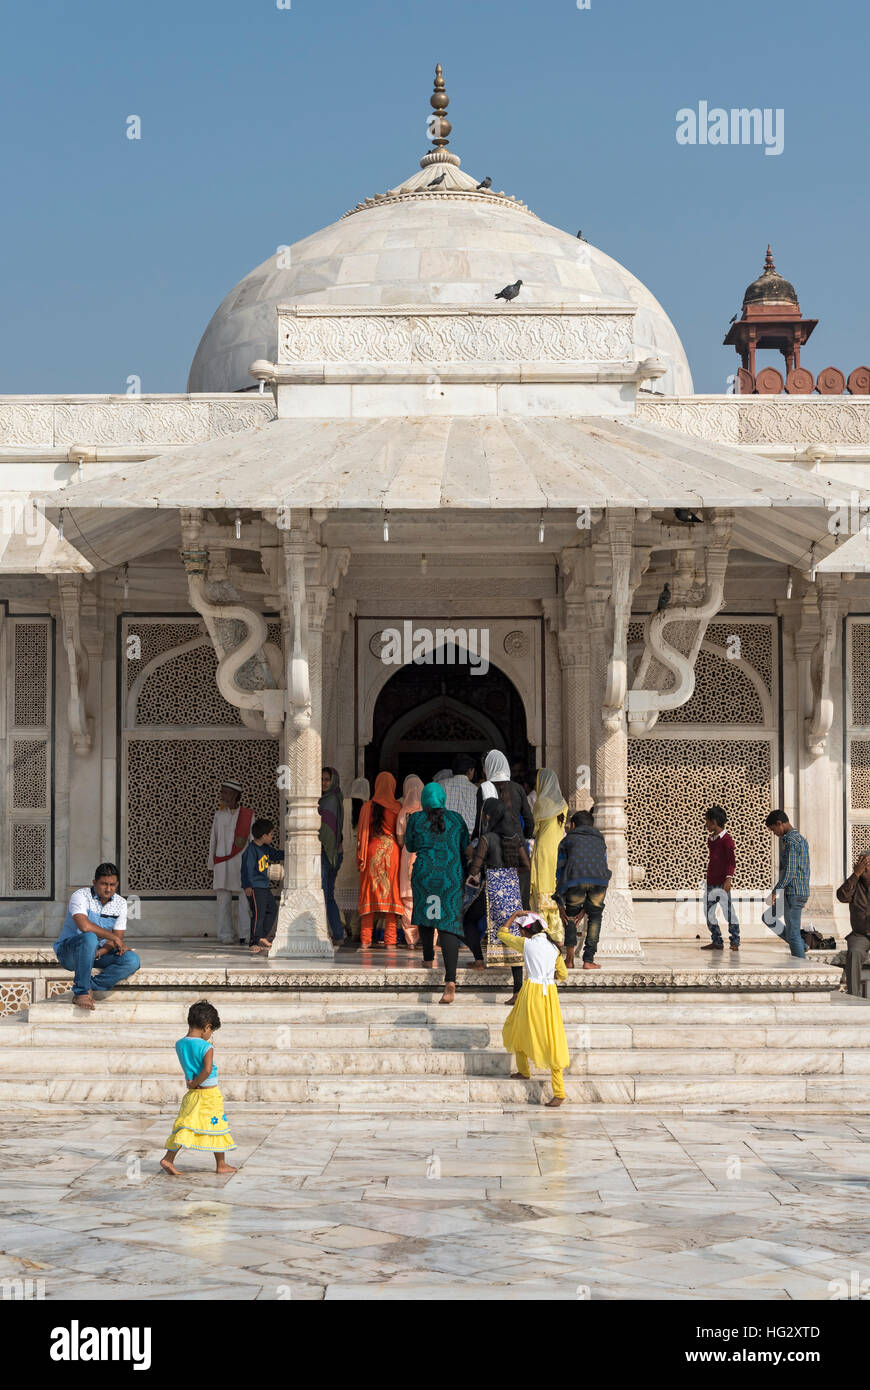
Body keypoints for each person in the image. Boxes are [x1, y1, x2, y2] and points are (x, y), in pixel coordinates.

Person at [403, 781, 480, 1003]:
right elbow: (464, 845)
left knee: (427, 915)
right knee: (447, 925)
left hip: (425, 874)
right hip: (451, 875)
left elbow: (410, 846)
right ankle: (450, 981)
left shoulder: (416, 819)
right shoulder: (456, 819)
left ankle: (428, 958)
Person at [498, 911, 570, 1107]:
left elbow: (501, 934)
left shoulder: (526, 944)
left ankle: (525, 1071)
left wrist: (514, 915)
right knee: (551, 1038)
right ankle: (558, 1090)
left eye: (521, 930)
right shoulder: (553, 947)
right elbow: (562, 974)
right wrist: (550, 973)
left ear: (525, 930)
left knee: (518, 1028)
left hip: (532, 992)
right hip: (550, 994)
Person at [161, 1000, 237, 1177]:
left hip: (193, 1094)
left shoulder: (180, 1044)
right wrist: (195, 1082)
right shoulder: (206, 1046)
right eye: (211, 1031)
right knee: (216, 1125)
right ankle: (220, 1164)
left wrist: (192, 1084)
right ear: (207, 1027)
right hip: (208, 1094)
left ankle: (170, 1159)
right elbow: (207, 1069)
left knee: (186, 1126)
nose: (210, 1035)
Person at [467, 795, 531, 1002]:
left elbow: (475, 868)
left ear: (490, 817)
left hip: (494, 889)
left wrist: (471, 855)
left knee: (467, 919)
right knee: (513, 934)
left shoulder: (487, 839)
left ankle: (478, 958)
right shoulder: (514, 837)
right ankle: (517, 990)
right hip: (511, 890)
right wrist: (509, 871)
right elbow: (526, 866)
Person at [53, 863, 141, 1010]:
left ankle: (90, 984)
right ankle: (81, 992)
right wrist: (113, 938)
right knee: (90, 937)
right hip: (70, 954)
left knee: (132, 960)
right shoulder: (80, 896)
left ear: (117, 884)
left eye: (112, 885)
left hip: (96, 954)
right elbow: (84, 926)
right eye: (104, 884)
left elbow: (117, 938)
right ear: (94, 883)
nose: (108, 889)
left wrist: (99, 952)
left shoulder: (121, 903)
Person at [554, 810, 611, 970]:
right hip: (599, 881)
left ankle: (570, 959)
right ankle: (588, 960)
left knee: (570, 916)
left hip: (574, 880)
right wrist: (587, 907)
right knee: (595, 917)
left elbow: (560, 870)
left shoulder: (567, 841)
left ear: (573, 824)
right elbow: (602, 864)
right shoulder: (600, 840)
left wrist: (560, 901)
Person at [356, 772, 404, 949]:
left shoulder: (367, 807)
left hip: (371, 852)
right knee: (392, 895)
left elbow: (361, 833)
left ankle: (366, 940)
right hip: (392, 853)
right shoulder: (398, 807)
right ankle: (390, 940)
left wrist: (360, 855)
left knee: (369, 893)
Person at [208, 779, 253, 947]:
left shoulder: (248, 815)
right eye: (222, 792)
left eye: (225, 792)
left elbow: (252, 842)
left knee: (244, 900)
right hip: (221, 863)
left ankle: (245, 934)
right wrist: (210, 865)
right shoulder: (219, 815)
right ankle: (226, 934)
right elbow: (214, 839)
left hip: (241, 864)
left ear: (235, 795)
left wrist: (253, 866)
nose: (222, 795)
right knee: (223, 900)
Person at [765, 810, 810, 959]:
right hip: (798, 891)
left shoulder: (791, 841)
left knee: (793, 933)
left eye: (773, 829)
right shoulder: (801, 839)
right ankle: (802, 945)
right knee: (769, 918)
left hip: (793, 892)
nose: (774, 833)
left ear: (779, 824)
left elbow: (790, 872)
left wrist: (774, 891)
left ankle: (802, 970)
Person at [530, 768, 568, 945]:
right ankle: (558, 935)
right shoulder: (563, 804)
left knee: (541, 886)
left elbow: (534, 829)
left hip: (543, 850)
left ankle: (543, 933)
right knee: (554, 886)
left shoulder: (541, 803)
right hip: (558, 850)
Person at [241, 818, 285, 954]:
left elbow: (276, 854)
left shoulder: (265, 848)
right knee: (258, 914)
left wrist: (290, 851)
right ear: (264, 835)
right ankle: (253, 942)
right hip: (254, 887)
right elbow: (246, 869)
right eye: (271, 834)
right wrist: (247, 885)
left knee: (272, 909)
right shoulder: (251, 850)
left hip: (264, 886)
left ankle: (261, 936)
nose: (272, 836)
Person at [334, 777, 369, 942]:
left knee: (338, 892)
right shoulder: (368, 806)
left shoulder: (343, 803)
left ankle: (340, 924)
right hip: (359, 857)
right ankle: (356, 929)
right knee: (358, 893)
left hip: (342, 855)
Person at [702, 805, 740, 952]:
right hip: (711, 881)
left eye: (707, 821)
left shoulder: (727, 840)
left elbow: (731, 861)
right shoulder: (711, 839)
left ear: (714, 822)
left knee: (728, 912)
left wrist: (728, 879)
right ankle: (717, 940)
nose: (705, 824)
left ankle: (735, 941)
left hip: (722, 883)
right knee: (709, 912)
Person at [475, 749, 534, 842]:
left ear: (489, 767)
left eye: (484, 767)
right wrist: (525, 838)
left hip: (494, 845)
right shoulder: (518, 788)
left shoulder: (484, 788)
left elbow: (480, 822)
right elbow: (529, 821)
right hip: (517, 843)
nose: (483, 770)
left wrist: (476, 841)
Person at [396, 774, 425, 948]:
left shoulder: (403, 812)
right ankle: (432, 939)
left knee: (409, 900)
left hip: (407, 853)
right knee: (428, 896)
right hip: (424, 854)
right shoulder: (427, 813)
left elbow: (400, 841)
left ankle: (411, 941)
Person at [836, 853, 870, 996]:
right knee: (854, 953)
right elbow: (842, 896)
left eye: (867, 864)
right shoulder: (855, 884)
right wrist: (855, 875)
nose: (865, 869)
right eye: (862, 865)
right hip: (860, 934)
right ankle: (854, 997)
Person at [318, 766, 344, 945]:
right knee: (327, 895)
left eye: (327, 779)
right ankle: (338, 934)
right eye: (321, 779)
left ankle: (324, 933)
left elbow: (327, 831)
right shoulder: (332, 797)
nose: (324, 783)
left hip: (327, 853)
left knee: (324, 894)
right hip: (331, 852)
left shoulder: (331, 800)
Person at [442, 754, 479, 835]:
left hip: (446, 836)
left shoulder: (442, 785)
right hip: (469, 839)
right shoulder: (476, 791)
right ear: (470, 770)